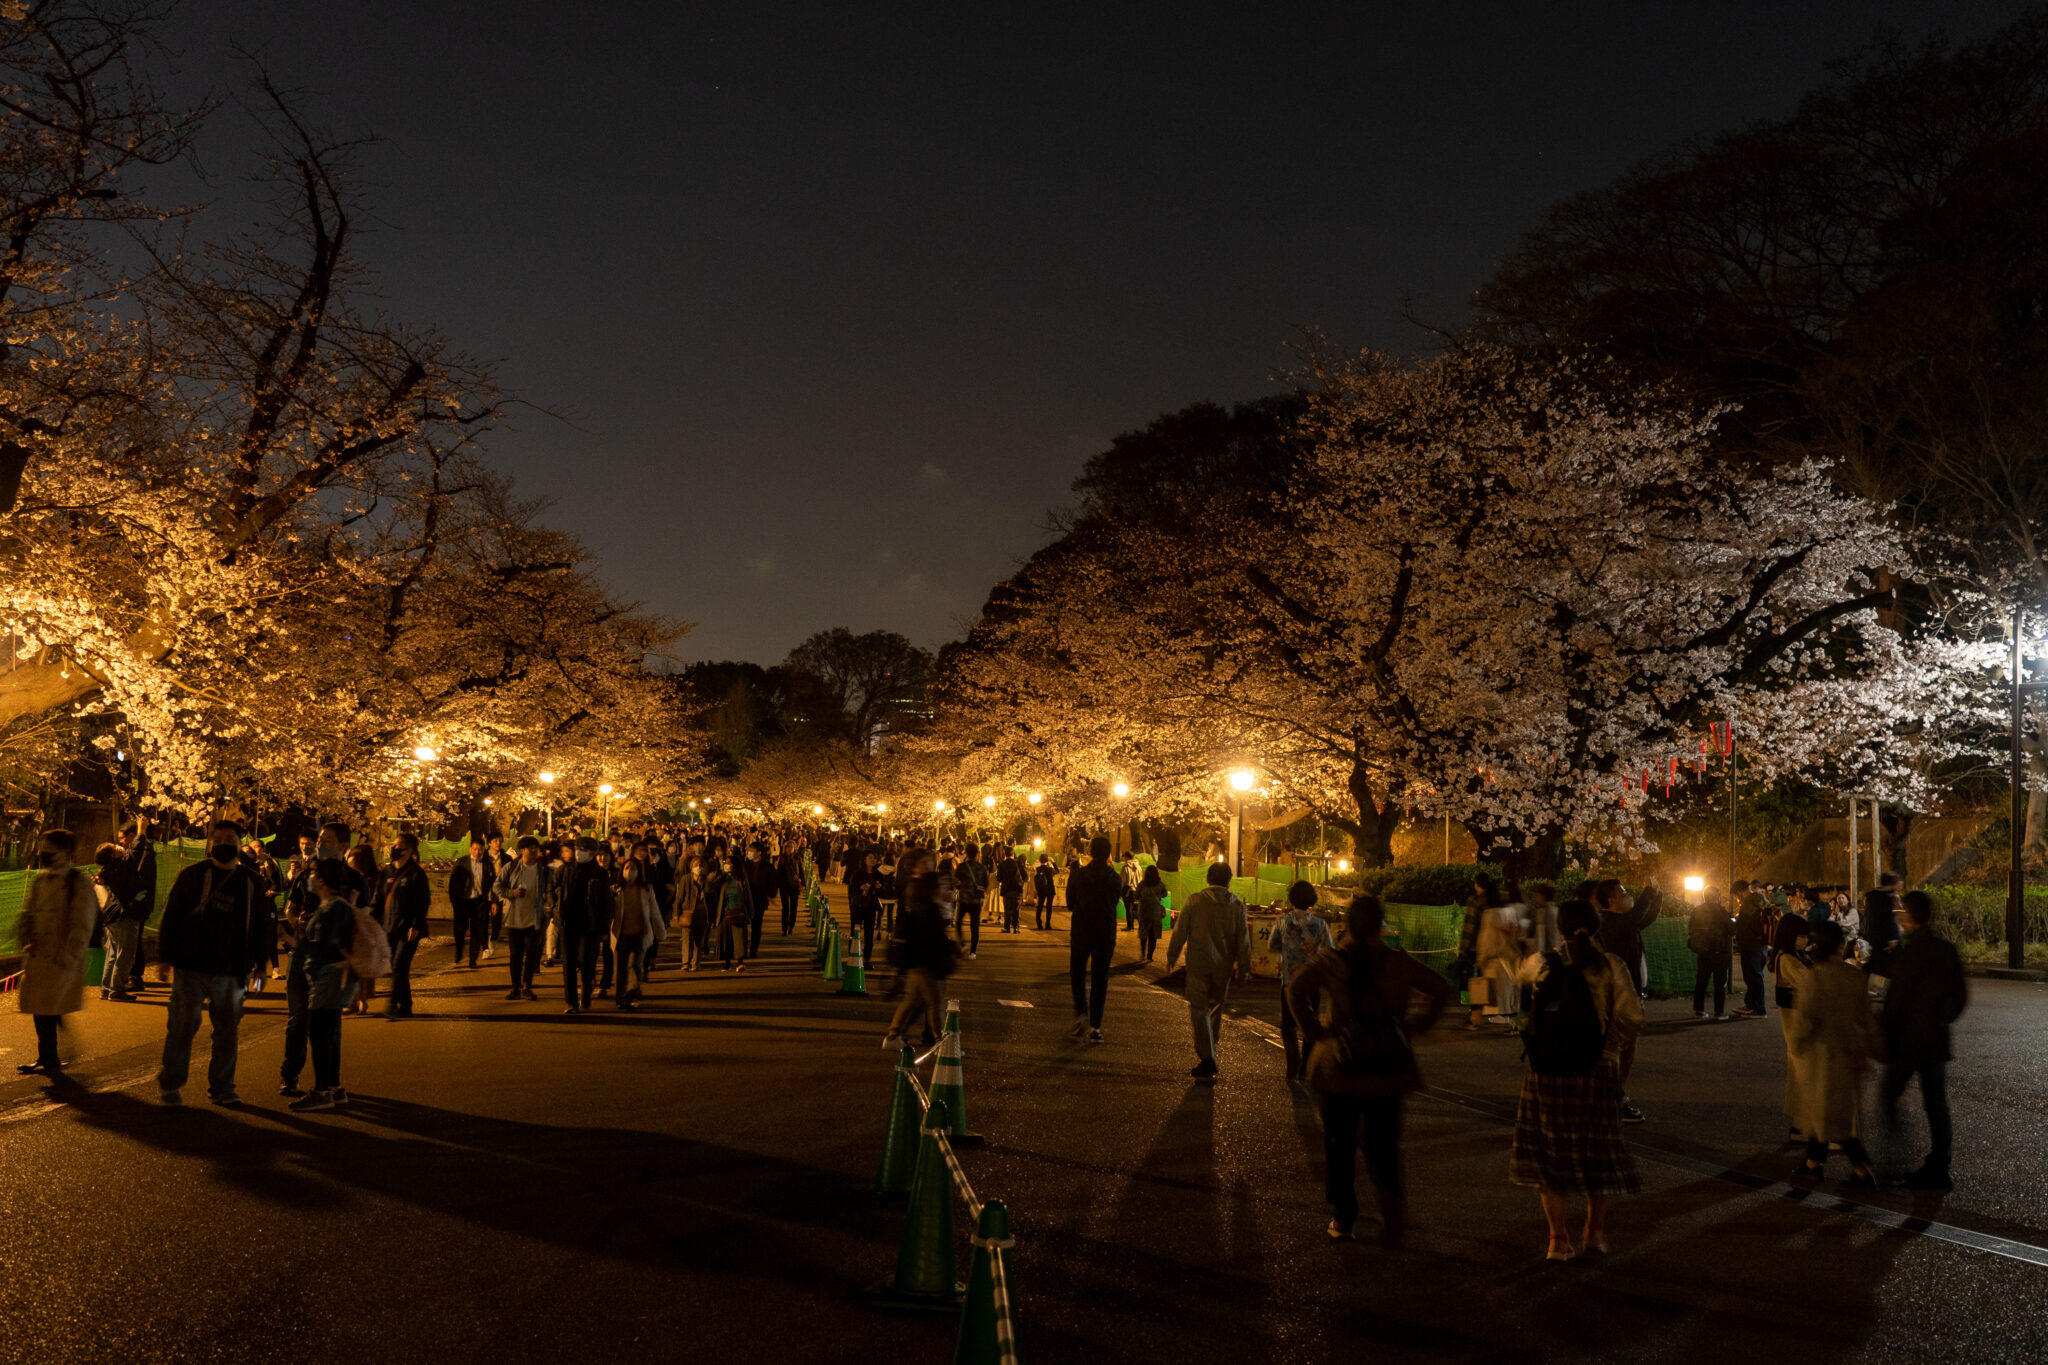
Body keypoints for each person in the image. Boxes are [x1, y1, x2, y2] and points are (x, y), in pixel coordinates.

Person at [1289, 894, 1450, 1245]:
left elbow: (1296, 990)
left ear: (1348, 924)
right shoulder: (1398, 962)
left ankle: (1343, 1218)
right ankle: (1393, 1222)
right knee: (1385, 1147)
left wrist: (1316, 1032)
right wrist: (1416, 1025)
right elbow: (1441, 989)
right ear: (1380, 925)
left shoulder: (1333, 961)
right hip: (1389, 1071)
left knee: (1339, 1144)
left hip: (1339, 1069)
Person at [1510, 899, 1643, 1262]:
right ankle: (1594, 1232)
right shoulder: (1610, 966)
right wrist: (1609, 1048)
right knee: (1595, 1154)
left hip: (1547, 1074)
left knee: (1552, 1155)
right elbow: (1632, 1017)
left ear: (1561, 927)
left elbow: (1520, 1012)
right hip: (1598, 1072)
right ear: (1596, 926)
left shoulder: (1540, 965)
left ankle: (1557, 1239)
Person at [156, 820, 273, 1105]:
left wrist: (262, 966)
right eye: (218, 838)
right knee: (182, 1027)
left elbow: (262, 926)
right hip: (190, 966)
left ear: (239, 842)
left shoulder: (252, 882)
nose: (223, 843)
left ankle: (223, 1087)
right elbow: (172, 915)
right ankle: (171, 1085)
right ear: (210, 844)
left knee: (227, 1032)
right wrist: (165, 958)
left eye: (229, 838)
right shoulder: (192, 876)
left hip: (232, 970)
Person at [1874, 889, 1967, 1190]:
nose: (1898, 916)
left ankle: (1897, 1155)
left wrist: (1885, 1036)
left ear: (1911, 917)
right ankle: (1941, 1164)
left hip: (1907, 1042)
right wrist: (1942, 1020)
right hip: (1935, 1040)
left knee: (1889, 1094)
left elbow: (1895, 1002)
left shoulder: (1906, 953)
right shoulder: (1945, 950)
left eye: (1901, 911)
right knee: (1937, 1105)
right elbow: (1960, 996)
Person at [1788, 920, 1881, 1189]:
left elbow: (1805, 1020)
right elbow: (1867, 1018)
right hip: (1850, 1054)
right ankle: (1812, 1165)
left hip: (1822, 1056)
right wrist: (1873, 1049)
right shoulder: (1854, 976)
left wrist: (1796, 1046)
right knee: (1833, 1114)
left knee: (1830, 1117)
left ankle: (1861, 1170)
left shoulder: (1814, 977)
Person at [14, 829, 96, 1076]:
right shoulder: (41, 880)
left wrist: (72, 952)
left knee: (46, 1008)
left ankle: (49, 1058)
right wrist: (25, 935)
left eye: (50, 849)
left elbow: (83, 922)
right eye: (43, 848)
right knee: (45, 1008)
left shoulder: (78, 884)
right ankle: (52, 1055)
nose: (44, 853)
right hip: (39, 955)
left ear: (66, 853)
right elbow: (28, 912)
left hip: (61, 957)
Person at [1166, 861, 1253, 1080]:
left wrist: (1172, 955)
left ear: (1207, 879)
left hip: (1198, 963)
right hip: (1223, 965)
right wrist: (1244, 968)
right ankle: (1210, 1053)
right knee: (1215, 1010)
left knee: (1199, 1009)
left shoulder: (1194, 901)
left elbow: (1180, 931)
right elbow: (1243, 940)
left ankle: (1207, 1058)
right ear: (1229, 881)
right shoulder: (1237, 907)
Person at [289, 858, 359, 1112]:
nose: (310, 878)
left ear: (321, 880)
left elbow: (323, 946)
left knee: (319, 1035)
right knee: (328, 1034)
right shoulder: (338, 905)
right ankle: (334, 1087)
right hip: (337, 976)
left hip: (329, 977)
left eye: (314, 874)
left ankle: (321, 1092)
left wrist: (296, 937)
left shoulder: (331, 909)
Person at [1591, 877, 1660, 1123]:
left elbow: (1646, 918)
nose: (1627, 894)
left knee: (1623, 1049)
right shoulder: (1611, 922)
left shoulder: (1623, 922)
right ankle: (1614, 1098)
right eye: (1622, 892)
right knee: (1620, 1049)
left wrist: (1657, 895)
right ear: (1611, 900)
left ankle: (1612, 1096)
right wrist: (1649, 891)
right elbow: (1637, 915)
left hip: (1627, 995)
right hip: (1619, 997)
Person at [882, 849, 955, 1049]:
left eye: (930, 861)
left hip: (920, 954)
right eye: (925, 862)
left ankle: (893, 1035)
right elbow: (926, 924)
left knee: (914, 998)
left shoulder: (923, 885)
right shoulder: (917, 888)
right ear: (915, 866)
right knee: (935, 1000)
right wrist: (952, 946)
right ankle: (940, 1039)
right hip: (924, 954)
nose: (930, 865)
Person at [1268, 879, 1335, 1079]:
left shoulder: (1282, 921)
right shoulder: (1320, 924)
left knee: (1288, 1024)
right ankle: (1306, 1065)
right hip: (1313, 982)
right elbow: (1329, 949)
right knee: (1311, 1022)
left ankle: (1292, 1059)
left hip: (1289, 980)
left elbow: (1272, 945)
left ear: (1292, 898)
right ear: (1312, 900)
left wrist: (1288, 951)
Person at [1066, 837, 1126, 1044]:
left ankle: (1081, 1012)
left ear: (1090, 852)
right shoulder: (1115, 878)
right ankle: (1095, 1027)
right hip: (1105, 932)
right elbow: (1115, 901)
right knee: (1100, 978)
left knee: (1078, 973)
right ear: (1109, 853)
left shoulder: (1079, 875)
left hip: (1082, 929)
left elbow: (1070, 903)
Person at [97, 818, 155, 1001]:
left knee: (113, 954)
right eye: (115, 848)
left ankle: (106, 989)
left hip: (112, 916)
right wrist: (141, 829)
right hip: (124, 915)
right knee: (125, 955)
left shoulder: (110, 869)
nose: (119, 846)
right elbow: (136, 850)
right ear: (114, 856)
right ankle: (117, 991)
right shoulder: (122, 866)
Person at [1769, 915, 1812, 1142]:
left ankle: (1802, 1126)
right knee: (1803, 1076)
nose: (1804, 940)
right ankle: (1802, 1127)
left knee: (1801, 1076)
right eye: (1801, 936)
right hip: (1797, 1027)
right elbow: (1809, 983)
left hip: (1799, 1026)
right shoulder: (1786, 959)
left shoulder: (1794, 955)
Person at [380, 833, 431, 1018]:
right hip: (388, 927)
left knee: (399, 965)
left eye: (399, 845)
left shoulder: (416, 873)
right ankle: (406, 1005)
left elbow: (423, 901)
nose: (395, 848)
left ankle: (393, 1004)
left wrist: (416, 925)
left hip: (407, 928)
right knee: (398, 968)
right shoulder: (386, 871)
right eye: (394, 845)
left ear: (409, 851)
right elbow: (379, 898)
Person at [559, 837, 611, 1012]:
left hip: (589, 924)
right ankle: (571, 1001)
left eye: (582, 849)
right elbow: (554, 890)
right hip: (568, 921)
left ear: (592, 853)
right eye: (577, 848)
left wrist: (604, 929)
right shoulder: (566, 870)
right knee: (568, 963)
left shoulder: (601, 874)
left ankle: (586, 991)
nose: (578, 852)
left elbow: (605, 903)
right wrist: (554, 912)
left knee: (586, 961)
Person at [499, 836, 549, 1000]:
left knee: (532, 953)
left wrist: (547, 902)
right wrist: (511, 893)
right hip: (514, 917)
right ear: (522, 850)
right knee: (515, 955)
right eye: (529, 847)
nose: (533, 850)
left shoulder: (543, 870)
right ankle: (515, 987)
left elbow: (551, 890)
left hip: (535, 918)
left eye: (535, 847)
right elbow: (497, 886)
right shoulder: (511, 867)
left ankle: (527, 985)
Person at [614, 857, 657, 1008]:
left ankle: (632, 994)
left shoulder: (645, 889)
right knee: (621, 968)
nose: (630, 871)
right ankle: (620, 997)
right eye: (626, 868)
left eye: (633, 868)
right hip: (621, 934)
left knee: (635, 965)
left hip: (640, 933)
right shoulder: (617, 890)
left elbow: (654, 911)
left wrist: (659, 931)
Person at [448, 836, 495, 969]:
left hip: (479, 902)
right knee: (460, 930)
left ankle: (472, 959)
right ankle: (458, 952)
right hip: (463, 902)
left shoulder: (487, 864)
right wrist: (454, 900)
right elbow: (453, 883)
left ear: (484, 850)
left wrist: (490, 900)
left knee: (477, 931)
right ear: (470, 849)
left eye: (480, 850)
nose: (477, 852)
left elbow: (492, 882)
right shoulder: (461, 862)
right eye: (474, 849)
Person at [1689, 891, 1735, 1020]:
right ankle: (1719, 1012)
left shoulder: (1697, 910)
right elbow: (1732, 930)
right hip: (1720, 951)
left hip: (1703, 951)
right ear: (1717, 897)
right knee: (1719, 983)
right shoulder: (1721, 912)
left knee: (1701, 981)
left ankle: (1699, 1009)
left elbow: (1691, 927)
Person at [1732, 879, 1773, 1018]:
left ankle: (1759, 1009)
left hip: (1751, 945)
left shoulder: (1749, 904)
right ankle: (1750, 1004)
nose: (1737, 898)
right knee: (1754, 975)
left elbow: (1746, 925)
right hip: (1760, 946)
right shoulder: (1761, 900)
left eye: (1737, 895)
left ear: (1741, 892)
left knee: (1753, 976)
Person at [849, 849, 885, 968]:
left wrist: (878, 888)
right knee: (855, 933)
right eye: (870, 858)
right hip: (858, 907)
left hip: (871, 908)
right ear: (864, 860)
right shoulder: (858, 874)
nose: (873, 860)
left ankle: (867, 960)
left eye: (874, 858)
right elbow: (851, 891)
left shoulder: (878, 875)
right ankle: (852, 959)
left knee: (869, 935)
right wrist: (860, 888)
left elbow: (884, 892)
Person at [719, 853, 754, 972]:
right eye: (726, 863)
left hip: (739, 911)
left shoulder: (741, 879)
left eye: (729, 863)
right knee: (726, 939)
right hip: (725, 911)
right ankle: (727, 962)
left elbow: (748, 896)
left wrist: (750, 912)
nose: (727, 865)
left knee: (739, 938)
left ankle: (740, 962)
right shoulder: (722, 879)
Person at [954, 843, 988, 958]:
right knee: (974, 926)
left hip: (964, 899)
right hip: (976, 901)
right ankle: (973, 952)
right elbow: (985, 884)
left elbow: (955, 881)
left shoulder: (962, 867)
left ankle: (962, 944)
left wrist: (961, 886)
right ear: (977, 853)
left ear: (966, 853)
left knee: (958, 923)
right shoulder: (982, 868)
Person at [673, 854, 706, 971]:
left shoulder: (705, 880)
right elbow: (679, 898)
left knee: (699, 939)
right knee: (687, 938)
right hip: (688, 912)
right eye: (696, 865)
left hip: (702, 912)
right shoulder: (686, 879)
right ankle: (685, 962)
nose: (699, 867)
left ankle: (696, 962)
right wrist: (677, 913)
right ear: (692, 867)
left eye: (701, 865)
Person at [1133, 864, 1168, 964]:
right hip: (1156, 913)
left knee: (1144, 934)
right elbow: (1165, 894)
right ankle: (1150, 955)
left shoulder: (1142, 885)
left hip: (1144, 912)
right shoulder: (1160, 885)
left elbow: (1136, 896)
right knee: (1153, 935)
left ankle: (1143, 954)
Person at [996, 847, 1024, 933]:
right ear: (1013, 854)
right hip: (1017, 889)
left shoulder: (1002, 864)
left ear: (1005, 854)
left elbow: (999, 878)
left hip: (1006, 890)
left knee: (1007, 909)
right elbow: (1025, 875)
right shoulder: (1019, 863)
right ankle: (1016, 927)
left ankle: (1006, 927)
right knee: (1016, 909)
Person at [1032, 855, 1056, 930]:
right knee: (1049, 907)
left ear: (1040, 860)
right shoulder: (1050, 869)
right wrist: (1053, 862)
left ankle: (1039, 924)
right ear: (1047, 860)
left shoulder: (1038, 869)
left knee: (1040, 906)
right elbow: (1057, 870)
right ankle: (1047, 924)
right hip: (1049, 890)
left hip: (1041, 890)